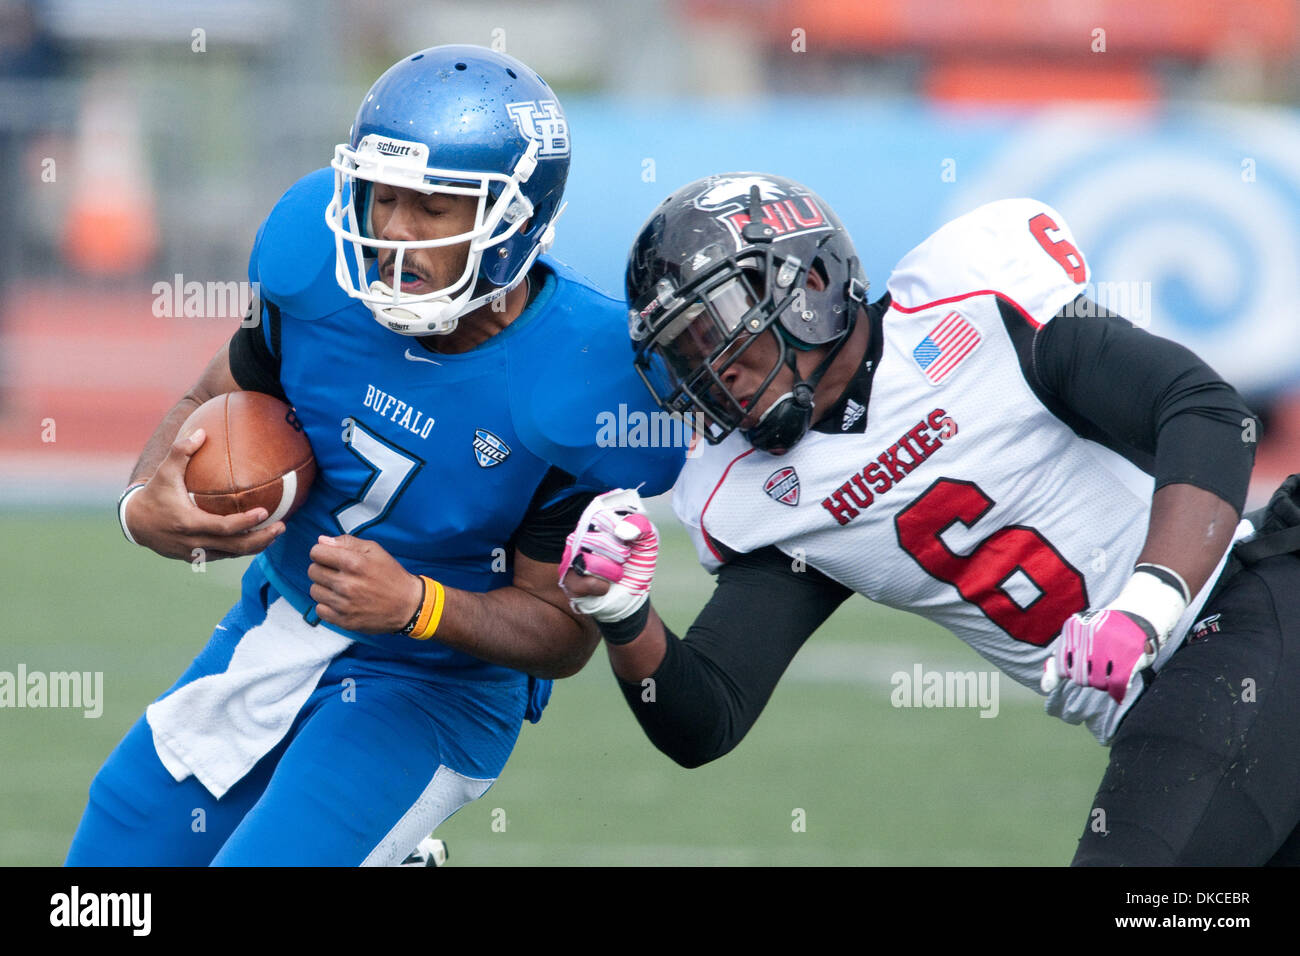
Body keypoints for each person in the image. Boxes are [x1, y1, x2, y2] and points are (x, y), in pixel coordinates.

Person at [559, 171, 1300, 865]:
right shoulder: (762, 498)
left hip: (1244, 614)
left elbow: (1207, 414)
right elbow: (706, 717)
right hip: (1166, 699)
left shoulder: (967, 305)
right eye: (685, 355)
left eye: (718, 328)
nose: (714, 371)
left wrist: (1142, 609)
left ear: (809, 283)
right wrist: (624, 614)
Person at [64, 45, 682, 867]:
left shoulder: (583, 378)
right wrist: (146, 498)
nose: (391, 230)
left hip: (436, 686)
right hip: (279, 620)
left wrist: (421, 606)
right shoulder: (316, 266)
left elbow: (562, 634)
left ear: (513, 223)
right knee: (106, 873)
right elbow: (208, 398)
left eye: (431, 209)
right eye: (380, 197)